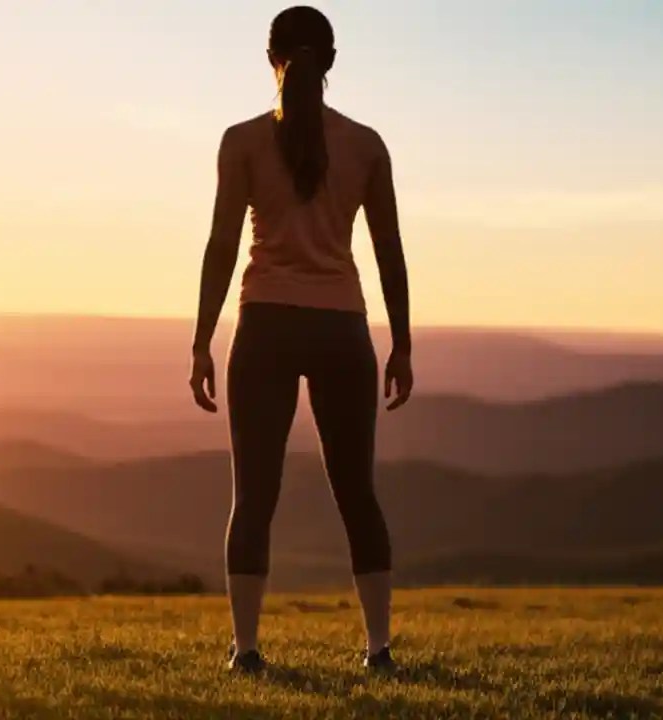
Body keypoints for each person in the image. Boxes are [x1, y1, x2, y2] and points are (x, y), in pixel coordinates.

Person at [188, 5, 413, 674]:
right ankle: (378, 650)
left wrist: (201, 340)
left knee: (253, 496)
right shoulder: (368, 146)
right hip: (342, 328)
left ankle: (248, 650)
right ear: (332, 62)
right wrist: (402, 343)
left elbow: (222, 245)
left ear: (270, 59)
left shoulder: (242, 141)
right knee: (358, 494)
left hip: (265, 327)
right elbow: (390, 251)